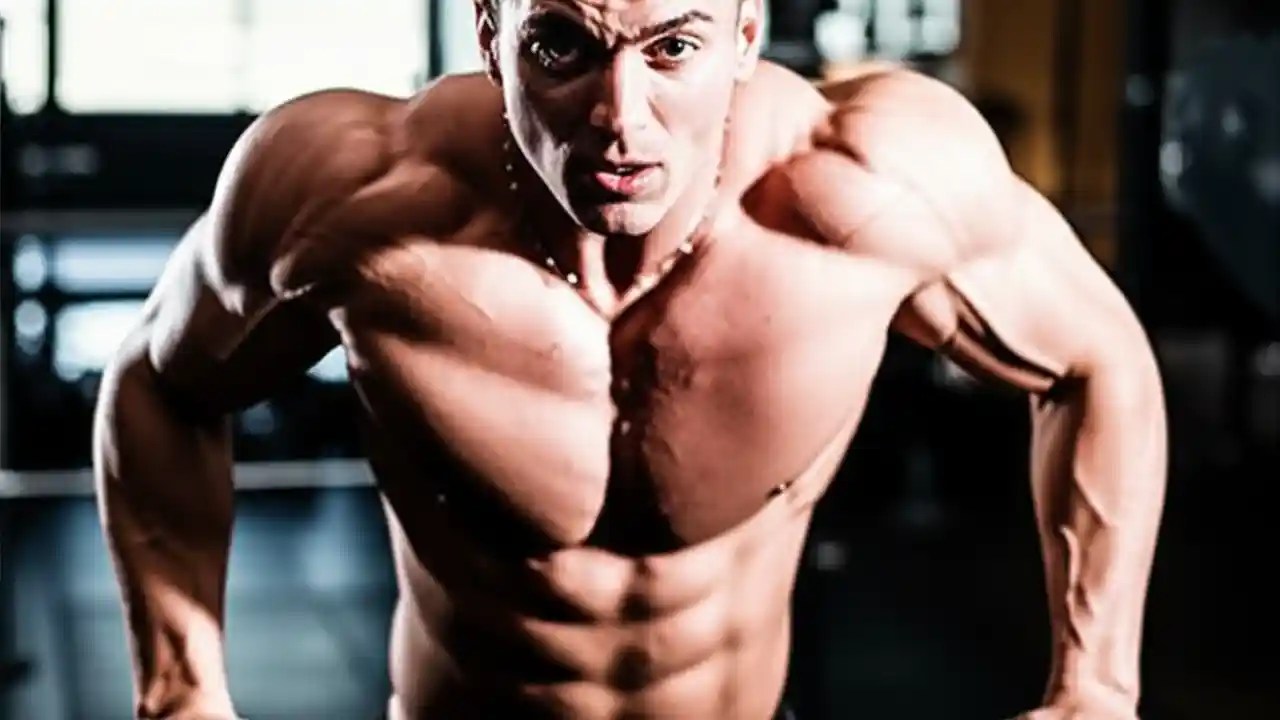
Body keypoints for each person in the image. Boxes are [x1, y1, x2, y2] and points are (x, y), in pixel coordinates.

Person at [92, 1, 1168, 718]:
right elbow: (156, 381)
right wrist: (180, 691)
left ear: (746, 34)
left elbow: (1096, 358)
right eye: (561, 45)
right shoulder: (347, 196)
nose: (620, 120)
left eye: (673, 49)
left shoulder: (871, 185)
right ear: (486, 31)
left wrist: (1096, 686)